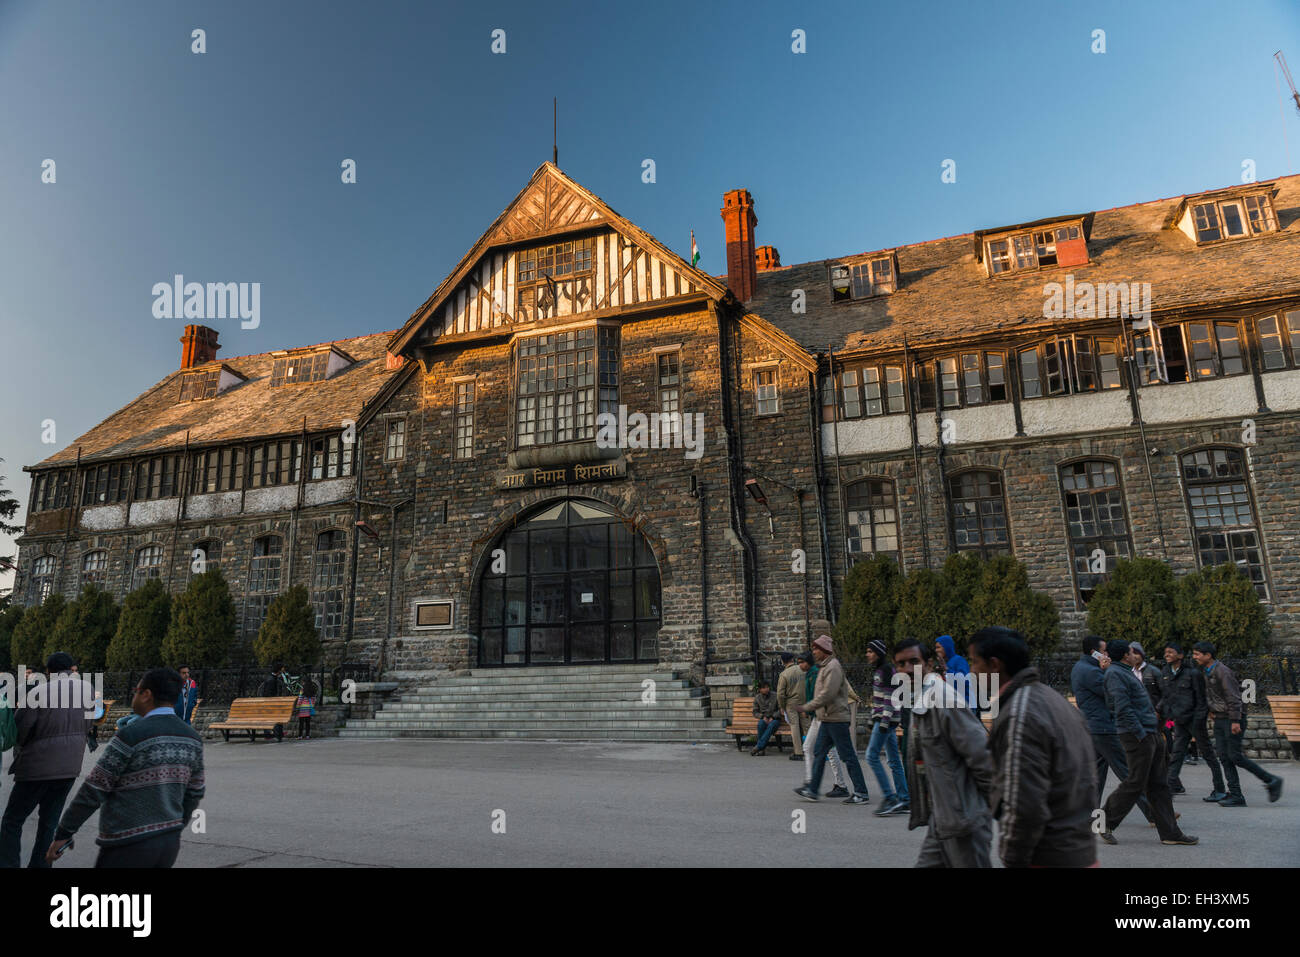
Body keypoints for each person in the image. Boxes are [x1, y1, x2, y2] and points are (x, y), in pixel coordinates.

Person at [47, 667, 205, 868]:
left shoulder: (131, 735)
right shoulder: (192, 738)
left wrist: (64, 832)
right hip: (168, 843)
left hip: (127, 844)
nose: (134, 695)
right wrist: (175, 825)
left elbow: (94, 789)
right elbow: (195, 791)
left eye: (136, 690)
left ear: (146, 695)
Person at [969, 627, 1098, 868]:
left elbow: (1023, 803)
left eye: (974, 662)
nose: (971, 671)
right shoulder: (1052, 700)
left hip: (1047, 855)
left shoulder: (1021, 713)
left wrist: (1011, 857)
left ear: (994, 665)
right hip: (1078, 850)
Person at [892, 638, 993, 867]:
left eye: (914, 661)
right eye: (901, 663)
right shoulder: (921, 698)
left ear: (928, 663)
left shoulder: (944, 699)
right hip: (942, 814)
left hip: (964, 816)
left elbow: (981, 755)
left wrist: (989, 808)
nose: (908, 669)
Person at [1098, 640, 1197, 846]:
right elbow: (1122, 708)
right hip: (1138, 735)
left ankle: (1171, 833)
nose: (1136, 655)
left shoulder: (1124, 672)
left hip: (1149, 732)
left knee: (1159, 785)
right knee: (1135, 782)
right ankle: (1104, 822)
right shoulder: (1116, 674)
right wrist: (1141, 733)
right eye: (1132, 652)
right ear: (1127, 656)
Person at [0, 653, 95, 868]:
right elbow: (89, 726)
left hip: (37, 767)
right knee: (49, 823)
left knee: (13, 820)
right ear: (71, 668)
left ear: (48, 671)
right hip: (70, 767)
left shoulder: (39, 692)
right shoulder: (87, 690)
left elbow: (20, 729)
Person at [1070, 635, 1154, 824]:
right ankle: (1153, 811)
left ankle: (1089, 815)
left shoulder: (1085, 667)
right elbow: (1113, 693)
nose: (1108, 654)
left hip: (1094, 726)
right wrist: (1110, 670)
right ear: (1095, 652)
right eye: (1105, 650)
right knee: (1129, 772)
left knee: (1097, 775)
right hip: (1103, 727)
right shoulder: (1092, 671)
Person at [1192, 642, 1283, 807]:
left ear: (1208, 655)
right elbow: (1214, 695)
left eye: (1197, 654)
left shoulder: (1222, 671)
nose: (1195, 657)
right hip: (1220, 718)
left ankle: (1272, 780)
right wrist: (1212, 710)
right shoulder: (1207, 671)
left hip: (1232, 719)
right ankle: (1236, 795)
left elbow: (1233, 697)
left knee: (1235, 756)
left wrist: (1235, 720)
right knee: (1224, 757)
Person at [793, 636, 870, 805]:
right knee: (819, 752)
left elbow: (828, 693)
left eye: (816, 649)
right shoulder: (825, 666)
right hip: (827, 719)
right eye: (813, 649)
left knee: (847, 755)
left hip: (836, 718)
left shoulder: (833, 667)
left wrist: (807, 707)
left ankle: (861, 792)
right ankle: (813, 789)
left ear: (825, 650)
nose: (814, 652)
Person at [1160, 642, 1224, 799]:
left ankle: (1220, 789)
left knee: (1208, 754)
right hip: (1179, 720)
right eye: (1165, 652)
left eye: (1170, 651)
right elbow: (1167, 695)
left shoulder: (1192, 673)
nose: (1167, 654)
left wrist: (1199, 720)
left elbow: (1202, 700)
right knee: (1176, 754)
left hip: (1194, 720)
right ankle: (1169, 788)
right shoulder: (1166, 672)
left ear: (1180, 655)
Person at [862, 640, 908, 817]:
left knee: (871, 756)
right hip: (883, 719)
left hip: (886, 721)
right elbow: (878, 699)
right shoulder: (879, 670)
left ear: (878, 653)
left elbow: (890, 698)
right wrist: (871, 717)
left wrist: (883, 722)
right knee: (893, 760)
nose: (868, 654)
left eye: (870, 651)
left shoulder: (887, 670)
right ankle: (904, 798)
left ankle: (890, 798)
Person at [798, 652, 849, 795]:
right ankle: (810, 781)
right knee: (808, 746)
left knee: (830, 751)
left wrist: (808, 708)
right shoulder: (810, 673)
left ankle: (840, 784)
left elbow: (821, 695)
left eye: (802, 662)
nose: (800, 665)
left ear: (808, 662)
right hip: (817, 716)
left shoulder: (815, 674)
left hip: (823, 716)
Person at [775, 652, 808, 762]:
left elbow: (780, 694)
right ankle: (810, 749)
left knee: (794, 726)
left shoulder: (784, 674)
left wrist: (781, 706)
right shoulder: (803, 670)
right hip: (804, 701)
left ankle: (798, 752)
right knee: (806, 726)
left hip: (791, 703)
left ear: (783, 661)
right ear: (793, 659)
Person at [750, 681, 781, 755]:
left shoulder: (775, 695)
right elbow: (755, 712)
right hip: (764, 718)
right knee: (760, 724)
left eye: (767, 687)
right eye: (764, 688)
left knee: (771, 725)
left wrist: (773, 717)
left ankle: (759, 746)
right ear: (760, 689)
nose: (766, 689)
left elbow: (781, 709)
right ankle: (761, 750)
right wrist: (762, 717)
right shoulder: (757, 698)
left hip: (774, 719)